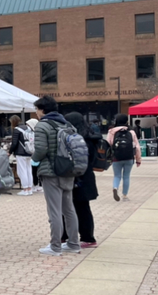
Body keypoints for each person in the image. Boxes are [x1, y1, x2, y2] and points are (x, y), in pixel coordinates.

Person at [32, 96, 80, 256]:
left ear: (43, 109)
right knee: (69, 209)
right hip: (68, 170)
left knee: (54, 211)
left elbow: (40, 149)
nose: (36, 113)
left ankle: (55, 246)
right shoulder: (67, 124)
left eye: (37, 109)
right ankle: (73, 243)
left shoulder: (42, 125)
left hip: (50, 172)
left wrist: (34, 160)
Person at [63, 112, 99, 248]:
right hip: (87, 177)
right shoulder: (91, 137)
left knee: (77, 208)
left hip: (78, 178)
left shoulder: (79, 140)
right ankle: (86, 236)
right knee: (82, 208)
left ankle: (87, 237)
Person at [107, 113, 141, 202]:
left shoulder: (111, 131)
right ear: (126, 121)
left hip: (116, 157)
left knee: (117, 176)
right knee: (126, 176)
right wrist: (138, 160)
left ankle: (115, 187)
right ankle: (125, 196)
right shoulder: (131, 132)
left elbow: (108, 145)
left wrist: (108, 158)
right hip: (129, 157)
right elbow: (137, 146)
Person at [9, 115, 34, 196]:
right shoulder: (28, 128)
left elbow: (14, 143)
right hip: (29, 151)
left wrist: (10, 151)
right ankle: (30, 189)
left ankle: (25, 189)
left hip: (20, 153)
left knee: (22, 171)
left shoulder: (16, 130)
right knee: (28, 170)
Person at [26, 118, 42, 193]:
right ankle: (36, 185)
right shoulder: (31, 133)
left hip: (37, 154)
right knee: (34, 170)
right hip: (34, 154)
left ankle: (38, 185)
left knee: (36, 170)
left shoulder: (37, 134)